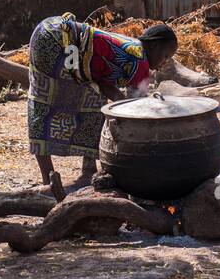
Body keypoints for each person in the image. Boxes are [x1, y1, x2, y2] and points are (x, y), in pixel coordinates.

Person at [26, 14, 178, 186]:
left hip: (46, 29)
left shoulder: (129, 46)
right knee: (87, 103)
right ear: (155, 46)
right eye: (165, 56)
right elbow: (138, 110)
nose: (164, 63)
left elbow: (103, 83)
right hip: (58, 41)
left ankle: (53, 177)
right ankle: (80, 172)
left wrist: (118, 99)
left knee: (42, 100)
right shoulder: (140, 61)